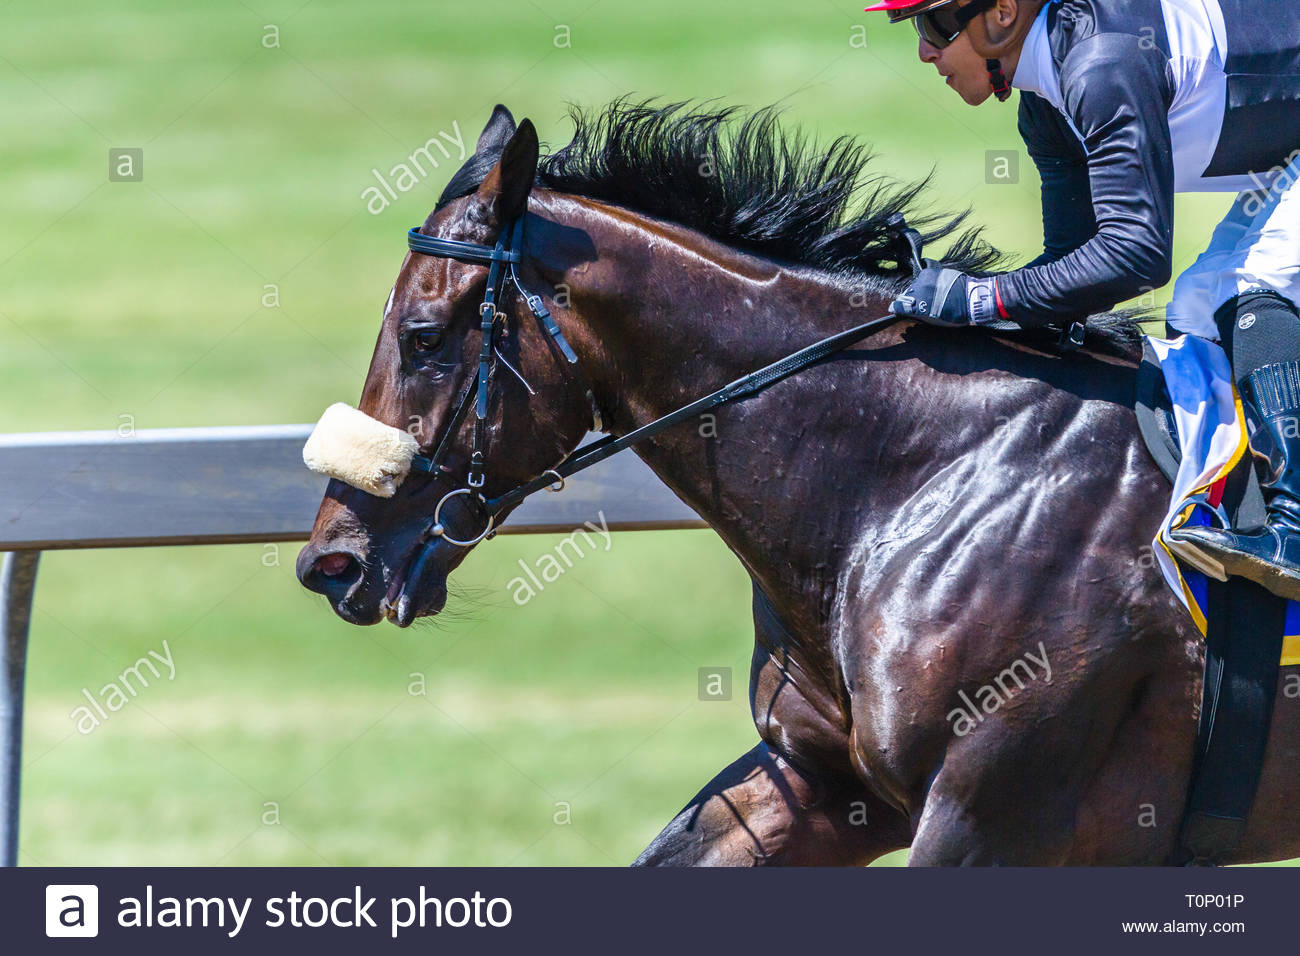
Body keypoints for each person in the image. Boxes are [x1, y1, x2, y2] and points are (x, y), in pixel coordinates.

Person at [868, 0, 1300, 600]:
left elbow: (1136, 254)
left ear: (1003, 13)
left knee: (1247, 283)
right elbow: (1075, 268)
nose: (924, 50)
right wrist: (959, 305)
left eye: (934, 24)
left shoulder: (1102, 64)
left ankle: (1294, 529)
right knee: (1198, 305)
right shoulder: (1044, 104)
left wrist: (980, 298)